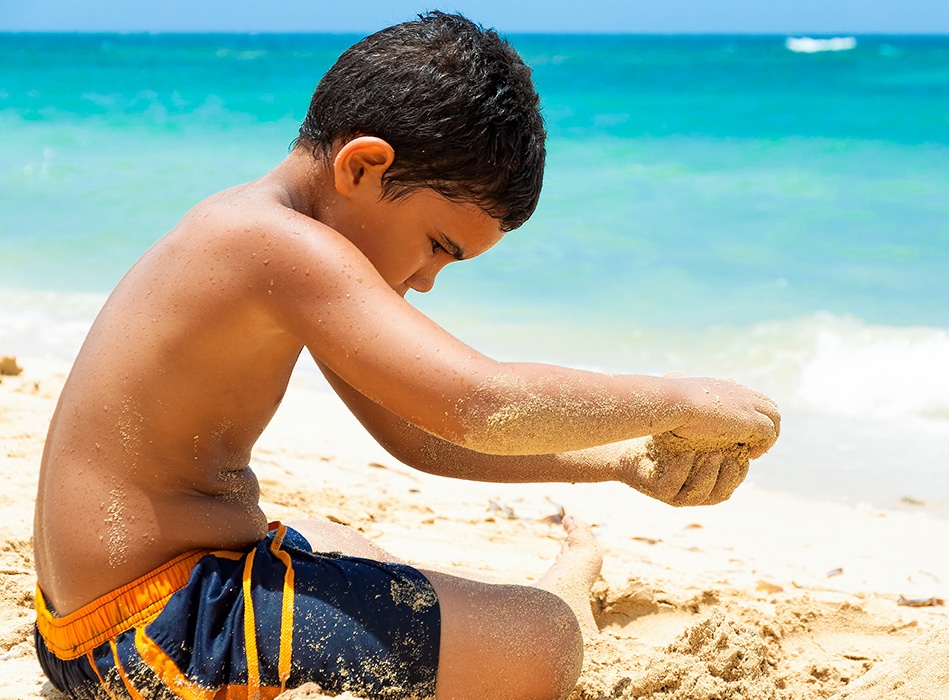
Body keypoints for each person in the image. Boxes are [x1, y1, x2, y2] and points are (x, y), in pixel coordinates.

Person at [31, 11, 780, 700]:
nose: (426, 280)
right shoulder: (278, 247)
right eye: (437, 245)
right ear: (362, 166)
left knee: (347, 547)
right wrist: (680, 399)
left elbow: (417, 435)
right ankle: (558, 602)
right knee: (543, 641)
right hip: (155, 639)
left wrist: (620, 461)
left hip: (88, 626)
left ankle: (539, 597)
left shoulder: (267, 235)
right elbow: (479, 403)